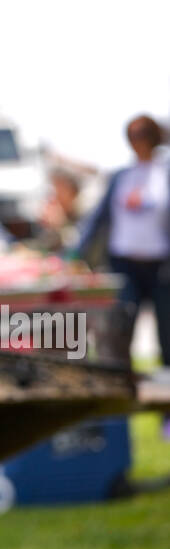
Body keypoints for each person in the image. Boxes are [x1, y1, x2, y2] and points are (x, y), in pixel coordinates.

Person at [77, 115, 170, 379]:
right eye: (132, 136)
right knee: (118, 336)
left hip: (161, 267)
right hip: (125, 264)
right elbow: (98, 218)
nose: (137, 142)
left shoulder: (164, 173)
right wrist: (76, 251)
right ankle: (121, 405)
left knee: (167, 338)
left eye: (143, 135)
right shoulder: (120, 176)